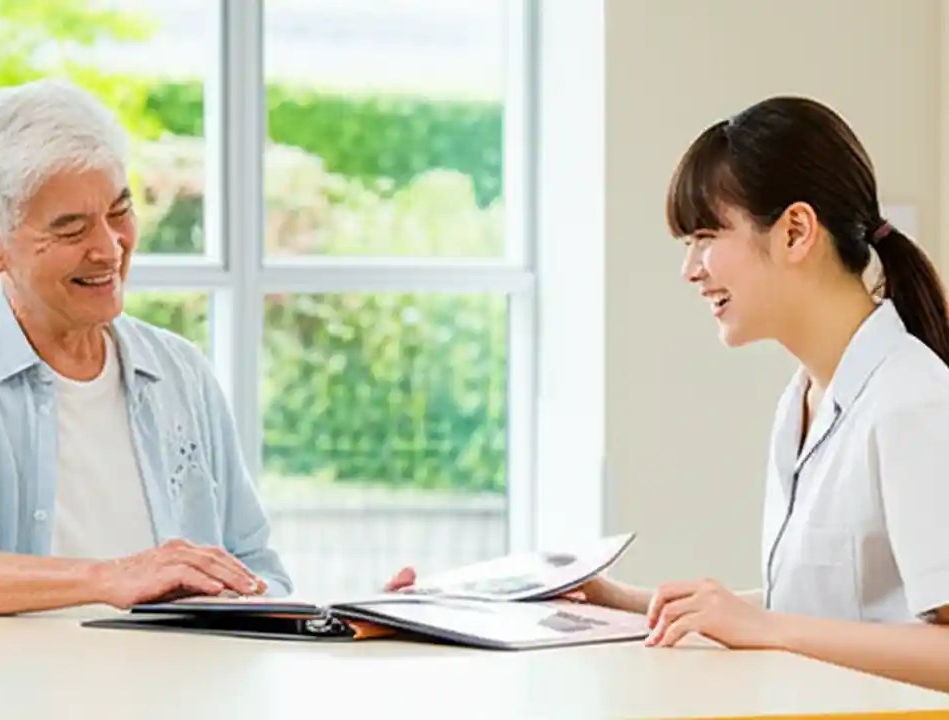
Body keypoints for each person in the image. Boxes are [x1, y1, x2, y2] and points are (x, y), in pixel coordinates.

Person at [393, 96, 949, 692]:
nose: (691, 268)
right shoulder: (805, 401)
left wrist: (766, 628)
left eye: (706, 235)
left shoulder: (912, 400)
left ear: (794, 231)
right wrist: (618, 603)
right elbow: (831, 612)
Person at [0, 78, 291, 615]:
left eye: (119, 211)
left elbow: (256, 567)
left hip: (176, 690)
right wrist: (108, 578)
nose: (109, 248)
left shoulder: (181, 374)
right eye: (71, 229)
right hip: (0, 694)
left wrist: (357, 616)